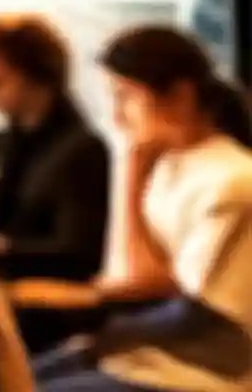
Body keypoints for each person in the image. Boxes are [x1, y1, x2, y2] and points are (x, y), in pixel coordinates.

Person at [27, 26, 252, 392]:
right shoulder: (168, 165)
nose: (117, 117)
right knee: (4, 377)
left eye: (125, 97)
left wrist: (130, 168)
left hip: (198, 375)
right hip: (147, 356)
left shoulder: (231, 182)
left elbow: (152, 290)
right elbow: (122, 275)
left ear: (180, 96)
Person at [0, 15, 111, 283]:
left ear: (38, 76)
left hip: (45, 292)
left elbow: (78, 253)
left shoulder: (82, 151)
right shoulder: (12, 140)